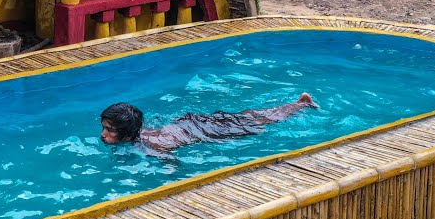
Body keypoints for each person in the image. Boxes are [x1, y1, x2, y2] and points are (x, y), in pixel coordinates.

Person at [100, 93, 319, 152]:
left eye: (110, 130)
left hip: (205, 130)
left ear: (127, 132)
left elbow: (171, 162)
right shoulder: (143, 131)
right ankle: (298, 102)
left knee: (256, 125)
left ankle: (301, 105)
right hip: (192, 123)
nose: (103, 134)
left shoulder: (152, 145)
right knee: (244, 116)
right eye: (104, 128)